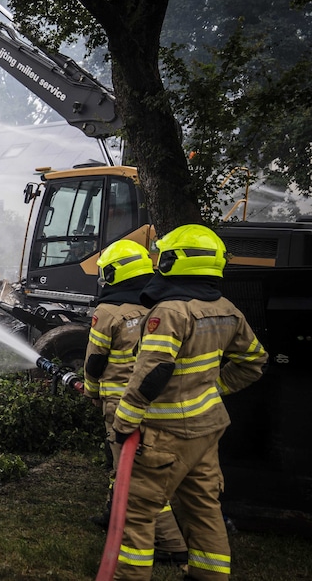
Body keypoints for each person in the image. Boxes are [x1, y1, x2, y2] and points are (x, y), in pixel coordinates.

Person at [111, 224, 268, 581]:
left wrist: (124, 423)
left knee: (137, 512)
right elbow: (256, 361)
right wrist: (214, 389)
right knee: (203, 508)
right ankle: (208, 575)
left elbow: (151, 374)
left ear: (174, 261)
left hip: (166, 435)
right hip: (207, 429)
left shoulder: (169, 313)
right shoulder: (228, 310)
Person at [84, 239, 187, 563]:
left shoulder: (108, 312)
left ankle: (171, 545)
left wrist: (89, 390)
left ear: (116, 273)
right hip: (157, 402)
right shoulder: (160, 307)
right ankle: (112, 513)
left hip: (119, 404)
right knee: (125, 465)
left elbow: (95, 362)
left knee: (136, 474)